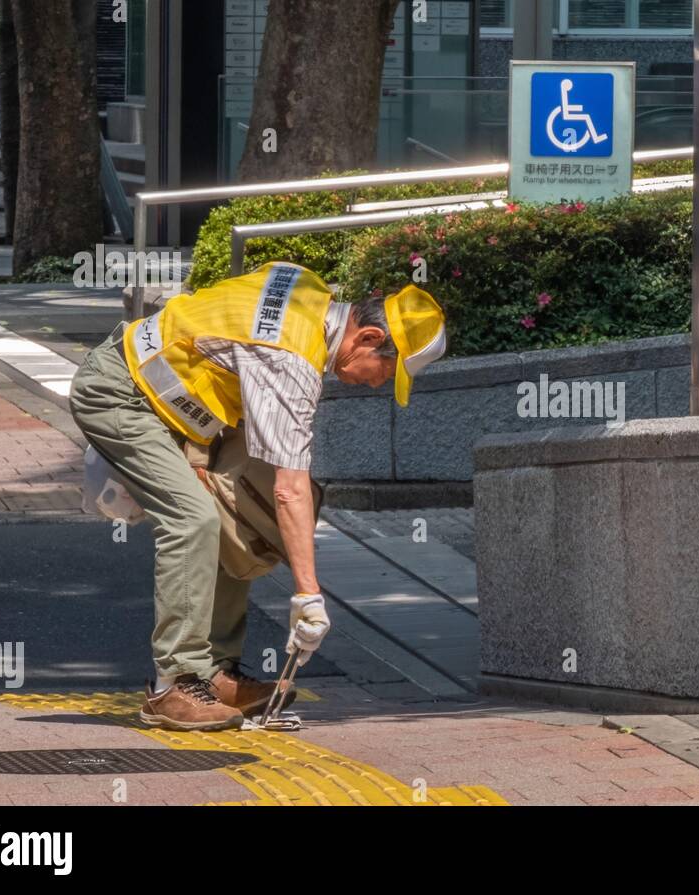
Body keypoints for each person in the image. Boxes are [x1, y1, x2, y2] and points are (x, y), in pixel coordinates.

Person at [69, 261, 447, 730]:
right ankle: (174, 684)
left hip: (172, 401)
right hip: (119, 394)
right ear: (368, 337)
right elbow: (289, 491)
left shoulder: (307, 288)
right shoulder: (290, 358)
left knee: (241, 517)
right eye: (386, 370)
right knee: (194, 521)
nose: (378, 382)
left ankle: (215, 675)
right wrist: (308, 596)